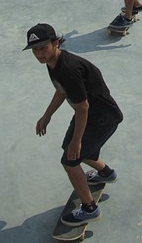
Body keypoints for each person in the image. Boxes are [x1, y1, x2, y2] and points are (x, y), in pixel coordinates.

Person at [26, 23, 122, 227]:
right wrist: (47, 115)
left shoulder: (68, 68)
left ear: (55, 43)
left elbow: (83, 106)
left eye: (43, 48)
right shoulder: (54, 63)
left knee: (70, 160)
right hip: (92, 114)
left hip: (100, 118)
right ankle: (105, 173)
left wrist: (77, 140)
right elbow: (62, 91)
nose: (39, 54)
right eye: (35, 50)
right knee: (70, 150)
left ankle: (90, 209)